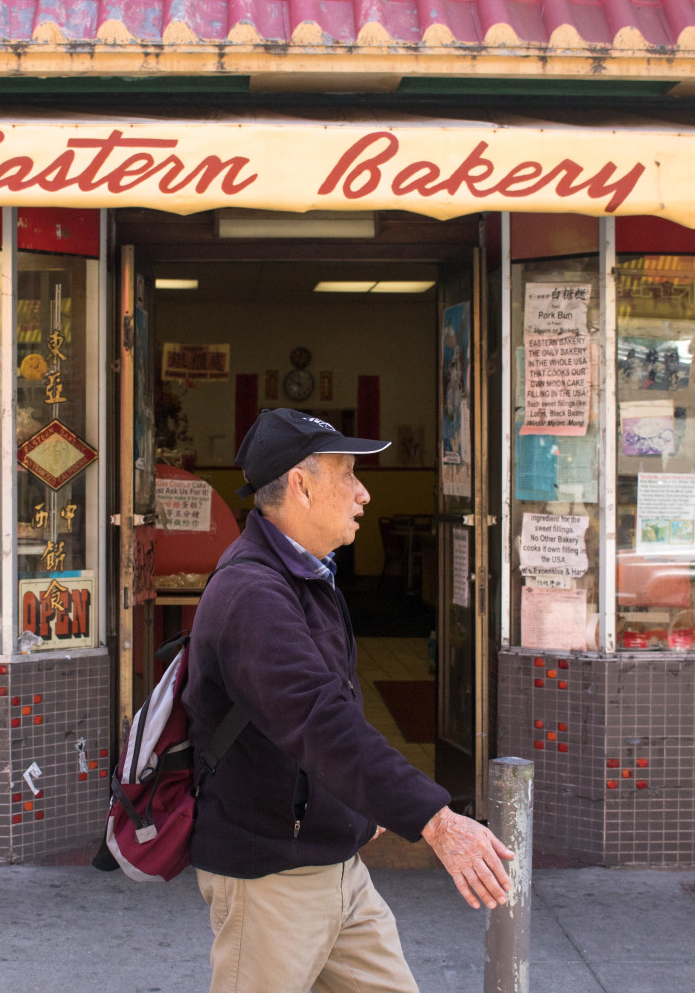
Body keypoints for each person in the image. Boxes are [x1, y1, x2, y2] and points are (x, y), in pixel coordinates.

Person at [184, 408, 514, 993]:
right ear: (302, 486)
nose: (364, 493)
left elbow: (333, 713)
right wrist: (435, 821)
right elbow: (320, 721)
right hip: (273, 877)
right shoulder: (252, 592)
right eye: (348, 475)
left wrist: (366, 807)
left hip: (337, 863)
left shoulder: (307, 578)